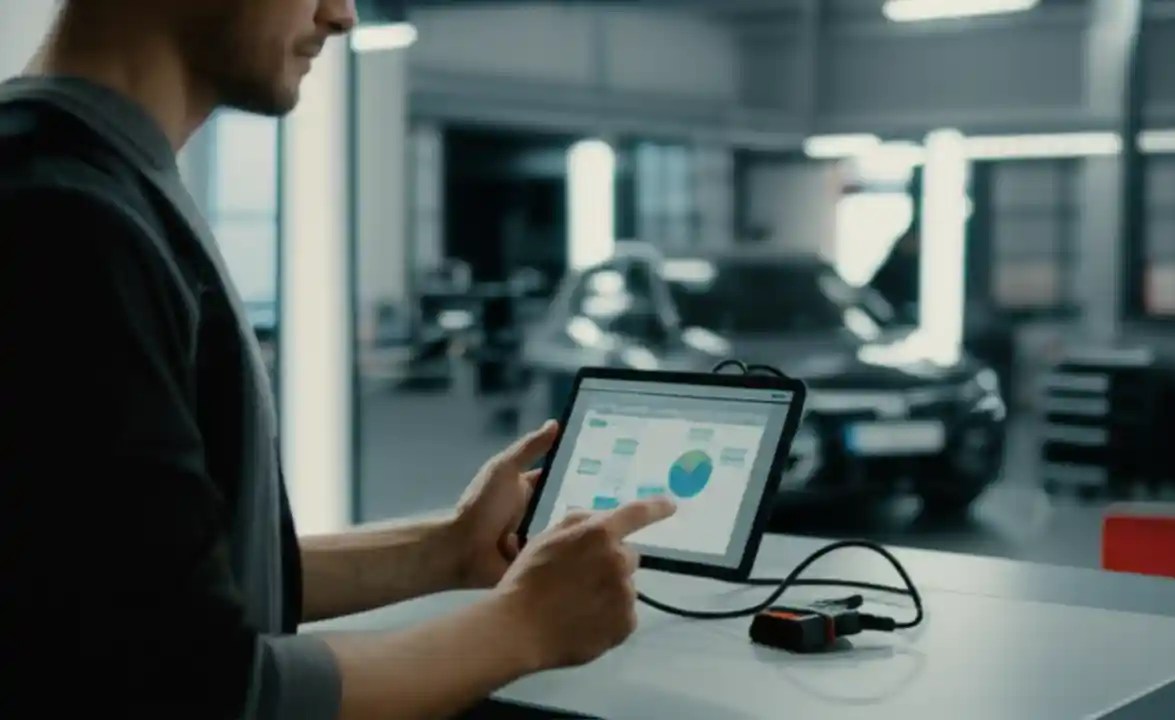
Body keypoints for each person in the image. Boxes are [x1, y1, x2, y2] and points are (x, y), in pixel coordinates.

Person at [0, 1, 676, 719]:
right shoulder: (62, 221)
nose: (342, 14)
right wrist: (524, 627)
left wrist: (445, 549)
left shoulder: (80, 180)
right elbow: (197, 690)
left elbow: (128, 593)